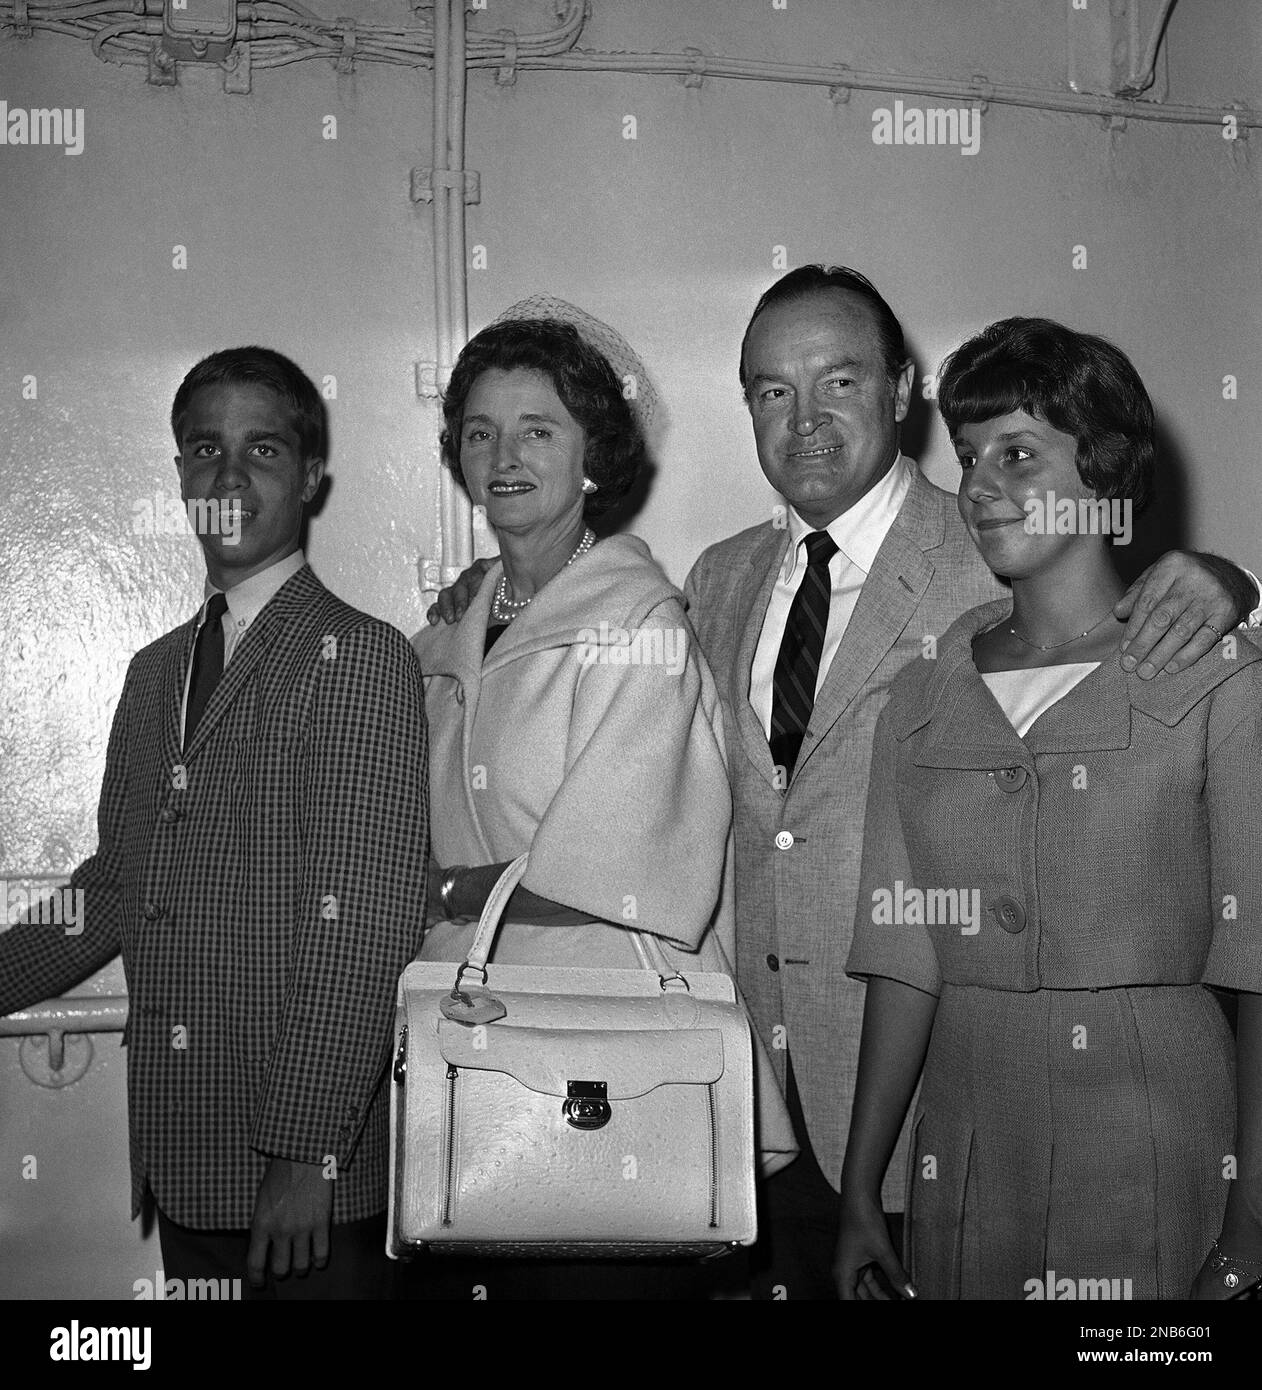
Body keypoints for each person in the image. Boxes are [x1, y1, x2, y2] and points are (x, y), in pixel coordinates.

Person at [428, 267, 1260, 1298]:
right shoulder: (718, 580)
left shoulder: (991, 538)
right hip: (751, 1102)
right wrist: (487, 595)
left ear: (902, 389)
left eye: (837, 380)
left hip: (950, 1107)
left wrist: (1220, 578)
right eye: (771, 391)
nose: (803, 418)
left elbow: (1117, 612)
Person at [837, 317, 1261, 1301]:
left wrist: (1249, 1226)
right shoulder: (921, 693)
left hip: (1159, 1132)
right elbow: (905, 958)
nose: (978, 482)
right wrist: (862, 1186)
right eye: (968, 455)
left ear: (1103, 474)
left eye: (1017, 453)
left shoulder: (1218, 681)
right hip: (969, 1139)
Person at [0, 348, 429, 1299]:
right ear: (183, 474)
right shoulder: (157, 670)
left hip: (304, 1186)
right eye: (205, 450)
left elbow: (361, 921)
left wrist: (304, 1151)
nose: (229, 477)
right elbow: (116, 890)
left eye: (263, 449)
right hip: (187, 1164)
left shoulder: (356, 656)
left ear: (311, 475)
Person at [405, 298, 796, 1300]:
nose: (503, 453)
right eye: (480, 431)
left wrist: (438, 890)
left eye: (538, 429)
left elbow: (616, 874)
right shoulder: (445, 632)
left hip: (605, 1060)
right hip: (470, 1041)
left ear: (592, 455)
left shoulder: (637, 624)